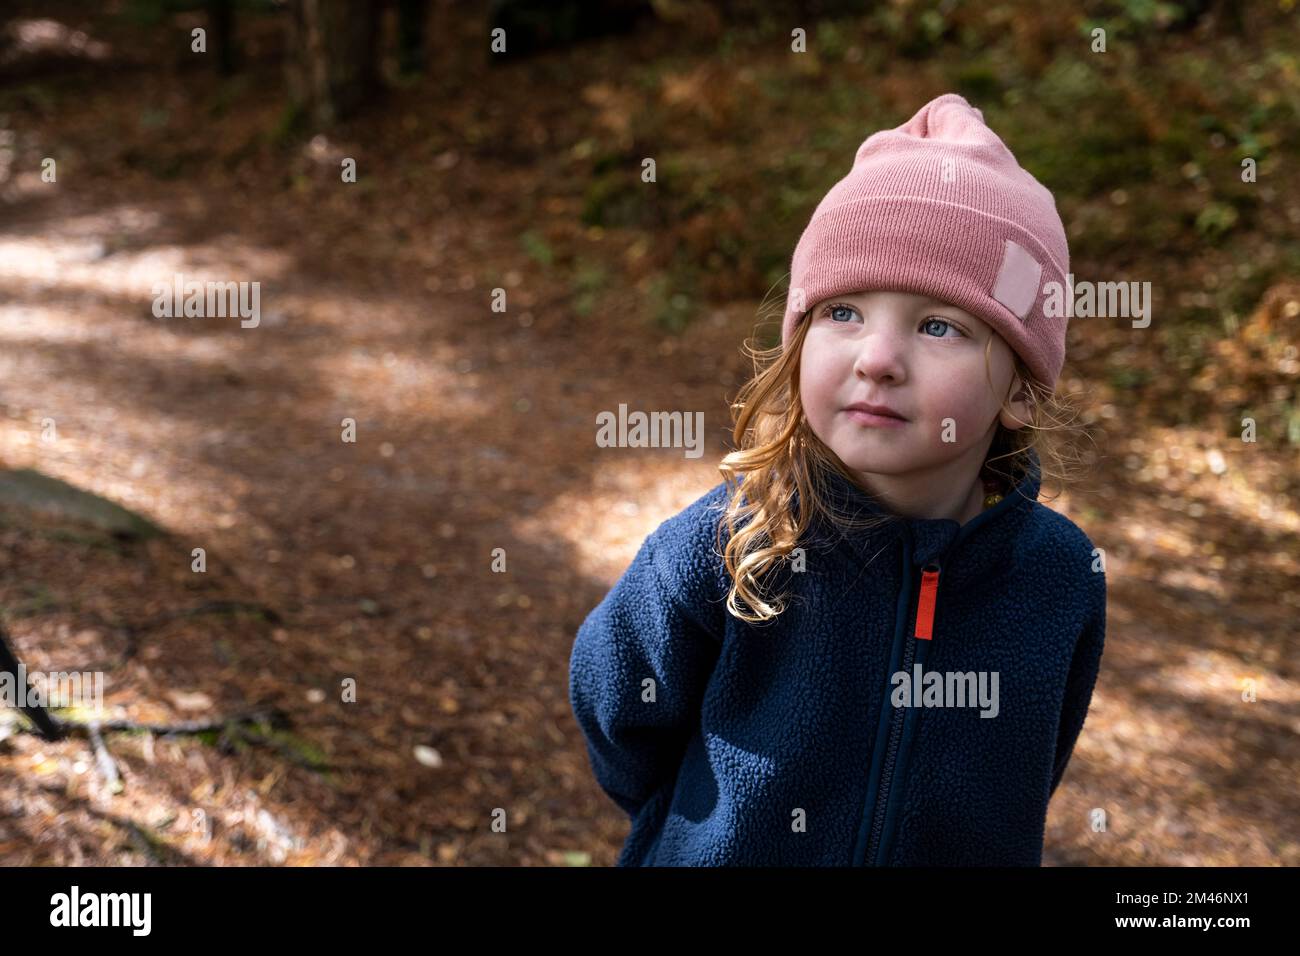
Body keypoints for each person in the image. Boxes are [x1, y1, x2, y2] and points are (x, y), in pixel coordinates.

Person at [569, 93, 1107, 866]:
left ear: (1021, 389)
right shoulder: (728, 545)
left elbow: (1031, 776)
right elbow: (617, 711)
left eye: (938, 326)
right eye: (844, 313)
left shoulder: (1058, 579)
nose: (877, 358)